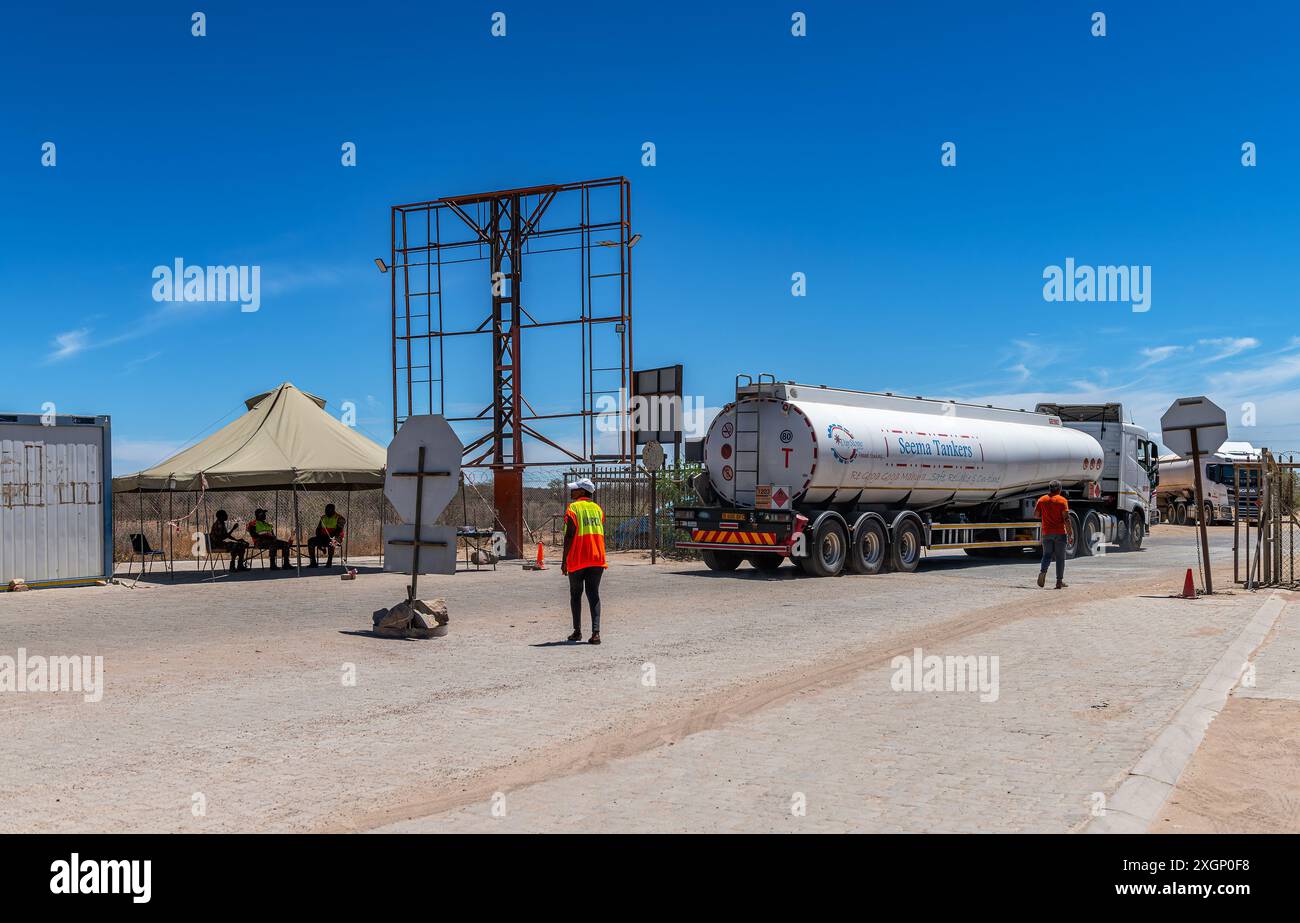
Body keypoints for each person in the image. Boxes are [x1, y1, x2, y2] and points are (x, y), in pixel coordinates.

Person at [561, 477, 607, 644]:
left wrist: (564, 560)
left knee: (575, 594)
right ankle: (596, 633)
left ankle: (577, 632)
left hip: (578, 557)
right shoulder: (598, 509)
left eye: (575, 489)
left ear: (583, 491)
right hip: (597, 557)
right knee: (593, 594)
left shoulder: (573, 508)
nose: (572, 491)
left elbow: (569, 535)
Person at [1035, 480, 1072, 589]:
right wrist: (1070, 534)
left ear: (1050, 489)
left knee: (1047, 555)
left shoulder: (1042, 500)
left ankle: (1043, 572)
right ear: (1059, 489)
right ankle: (1059, 582)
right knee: (1060, 558)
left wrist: (1046, 515)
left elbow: (1036, 515)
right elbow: (1066, 519)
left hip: (1046, 533)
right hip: (1060, 533)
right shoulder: (1062, 501)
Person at [308, 503, 346, 567]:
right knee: (311, 541)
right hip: (324, 537)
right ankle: (313, 562)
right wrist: (319, 537)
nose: (326, 512)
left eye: (328, 510)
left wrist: (331, 536)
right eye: (326, 510)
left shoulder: (340, 518)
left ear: (333, 510)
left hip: (337, 537)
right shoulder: (323, 517)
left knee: (331, 542)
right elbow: (318, 529)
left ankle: (329, 562)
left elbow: (339, 530)